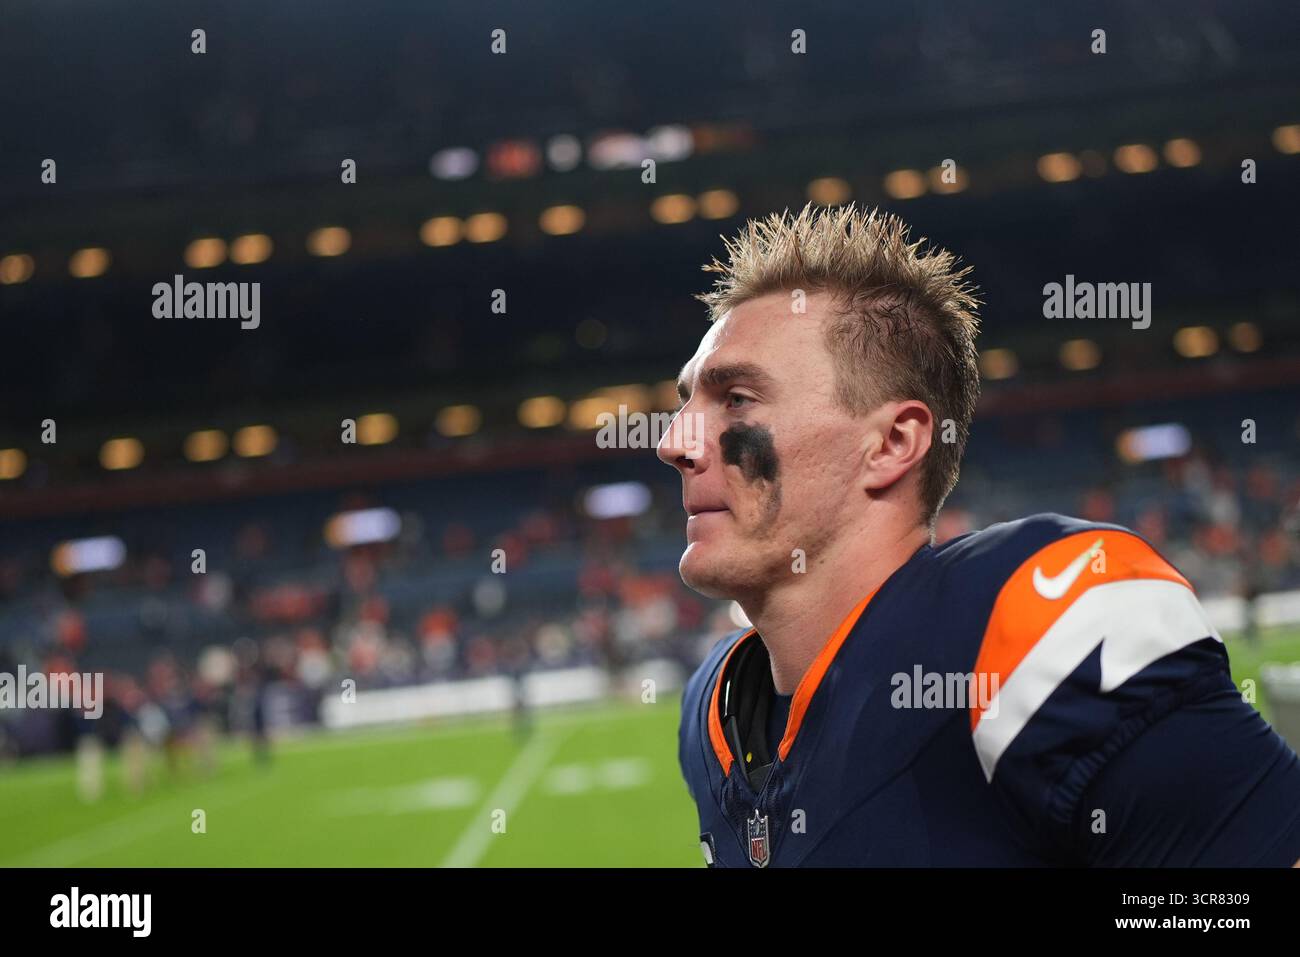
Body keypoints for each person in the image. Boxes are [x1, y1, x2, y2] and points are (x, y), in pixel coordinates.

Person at [657, 203, 1300, 867]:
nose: (674, 440)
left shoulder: (1029, 630)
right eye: (686, 401)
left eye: (735, 398)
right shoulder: (716, 709)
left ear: (891, 443)